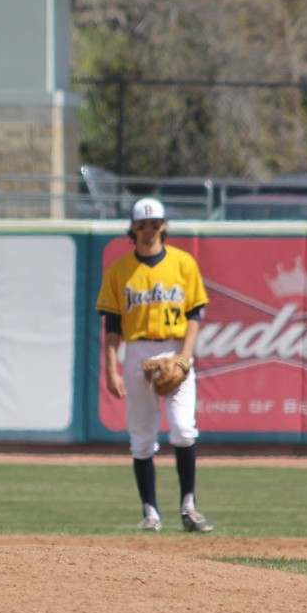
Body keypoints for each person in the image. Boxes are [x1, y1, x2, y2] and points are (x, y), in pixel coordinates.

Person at [96, 197, 213, 533]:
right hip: (137, 352)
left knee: (183, 428)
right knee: (142, 438)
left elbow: (194, 315)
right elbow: (112, 325)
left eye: (155, 224)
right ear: (132, 229)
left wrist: (184, 358)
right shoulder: (119, 270)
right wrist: (111, 369)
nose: (149, 230)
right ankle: (151, 512)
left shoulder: (183, 263)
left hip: (176, 349)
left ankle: (189, 507)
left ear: (164, 226)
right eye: (142, 225)